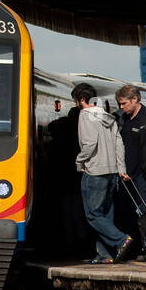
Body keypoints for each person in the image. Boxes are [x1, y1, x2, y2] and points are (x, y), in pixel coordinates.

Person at [75, 84, 133, 265]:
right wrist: (121, 168)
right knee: (105, 215)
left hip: (95, 171)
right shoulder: (109, 117)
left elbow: (89, 144)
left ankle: (121, 239)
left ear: (81, 99)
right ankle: (105, 254)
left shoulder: (85, 116)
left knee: (93, 215)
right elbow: (119, 144)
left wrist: (79, 162)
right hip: (112, 172)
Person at [47, 88, 91, 260]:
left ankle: (71, 241)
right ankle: (80, 240)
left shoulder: (58, 140)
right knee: (79, 212)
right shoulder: (79, 136)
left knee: (68, 213)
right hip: (77, 178)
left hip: (64, 180)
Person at [115, 85, 146, 211]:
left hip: (143, 178)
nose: (121, 107)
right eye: (120, 104)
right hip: (125, 177)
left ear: (135, 99)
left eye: (124, 103)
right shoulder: (123, 120)